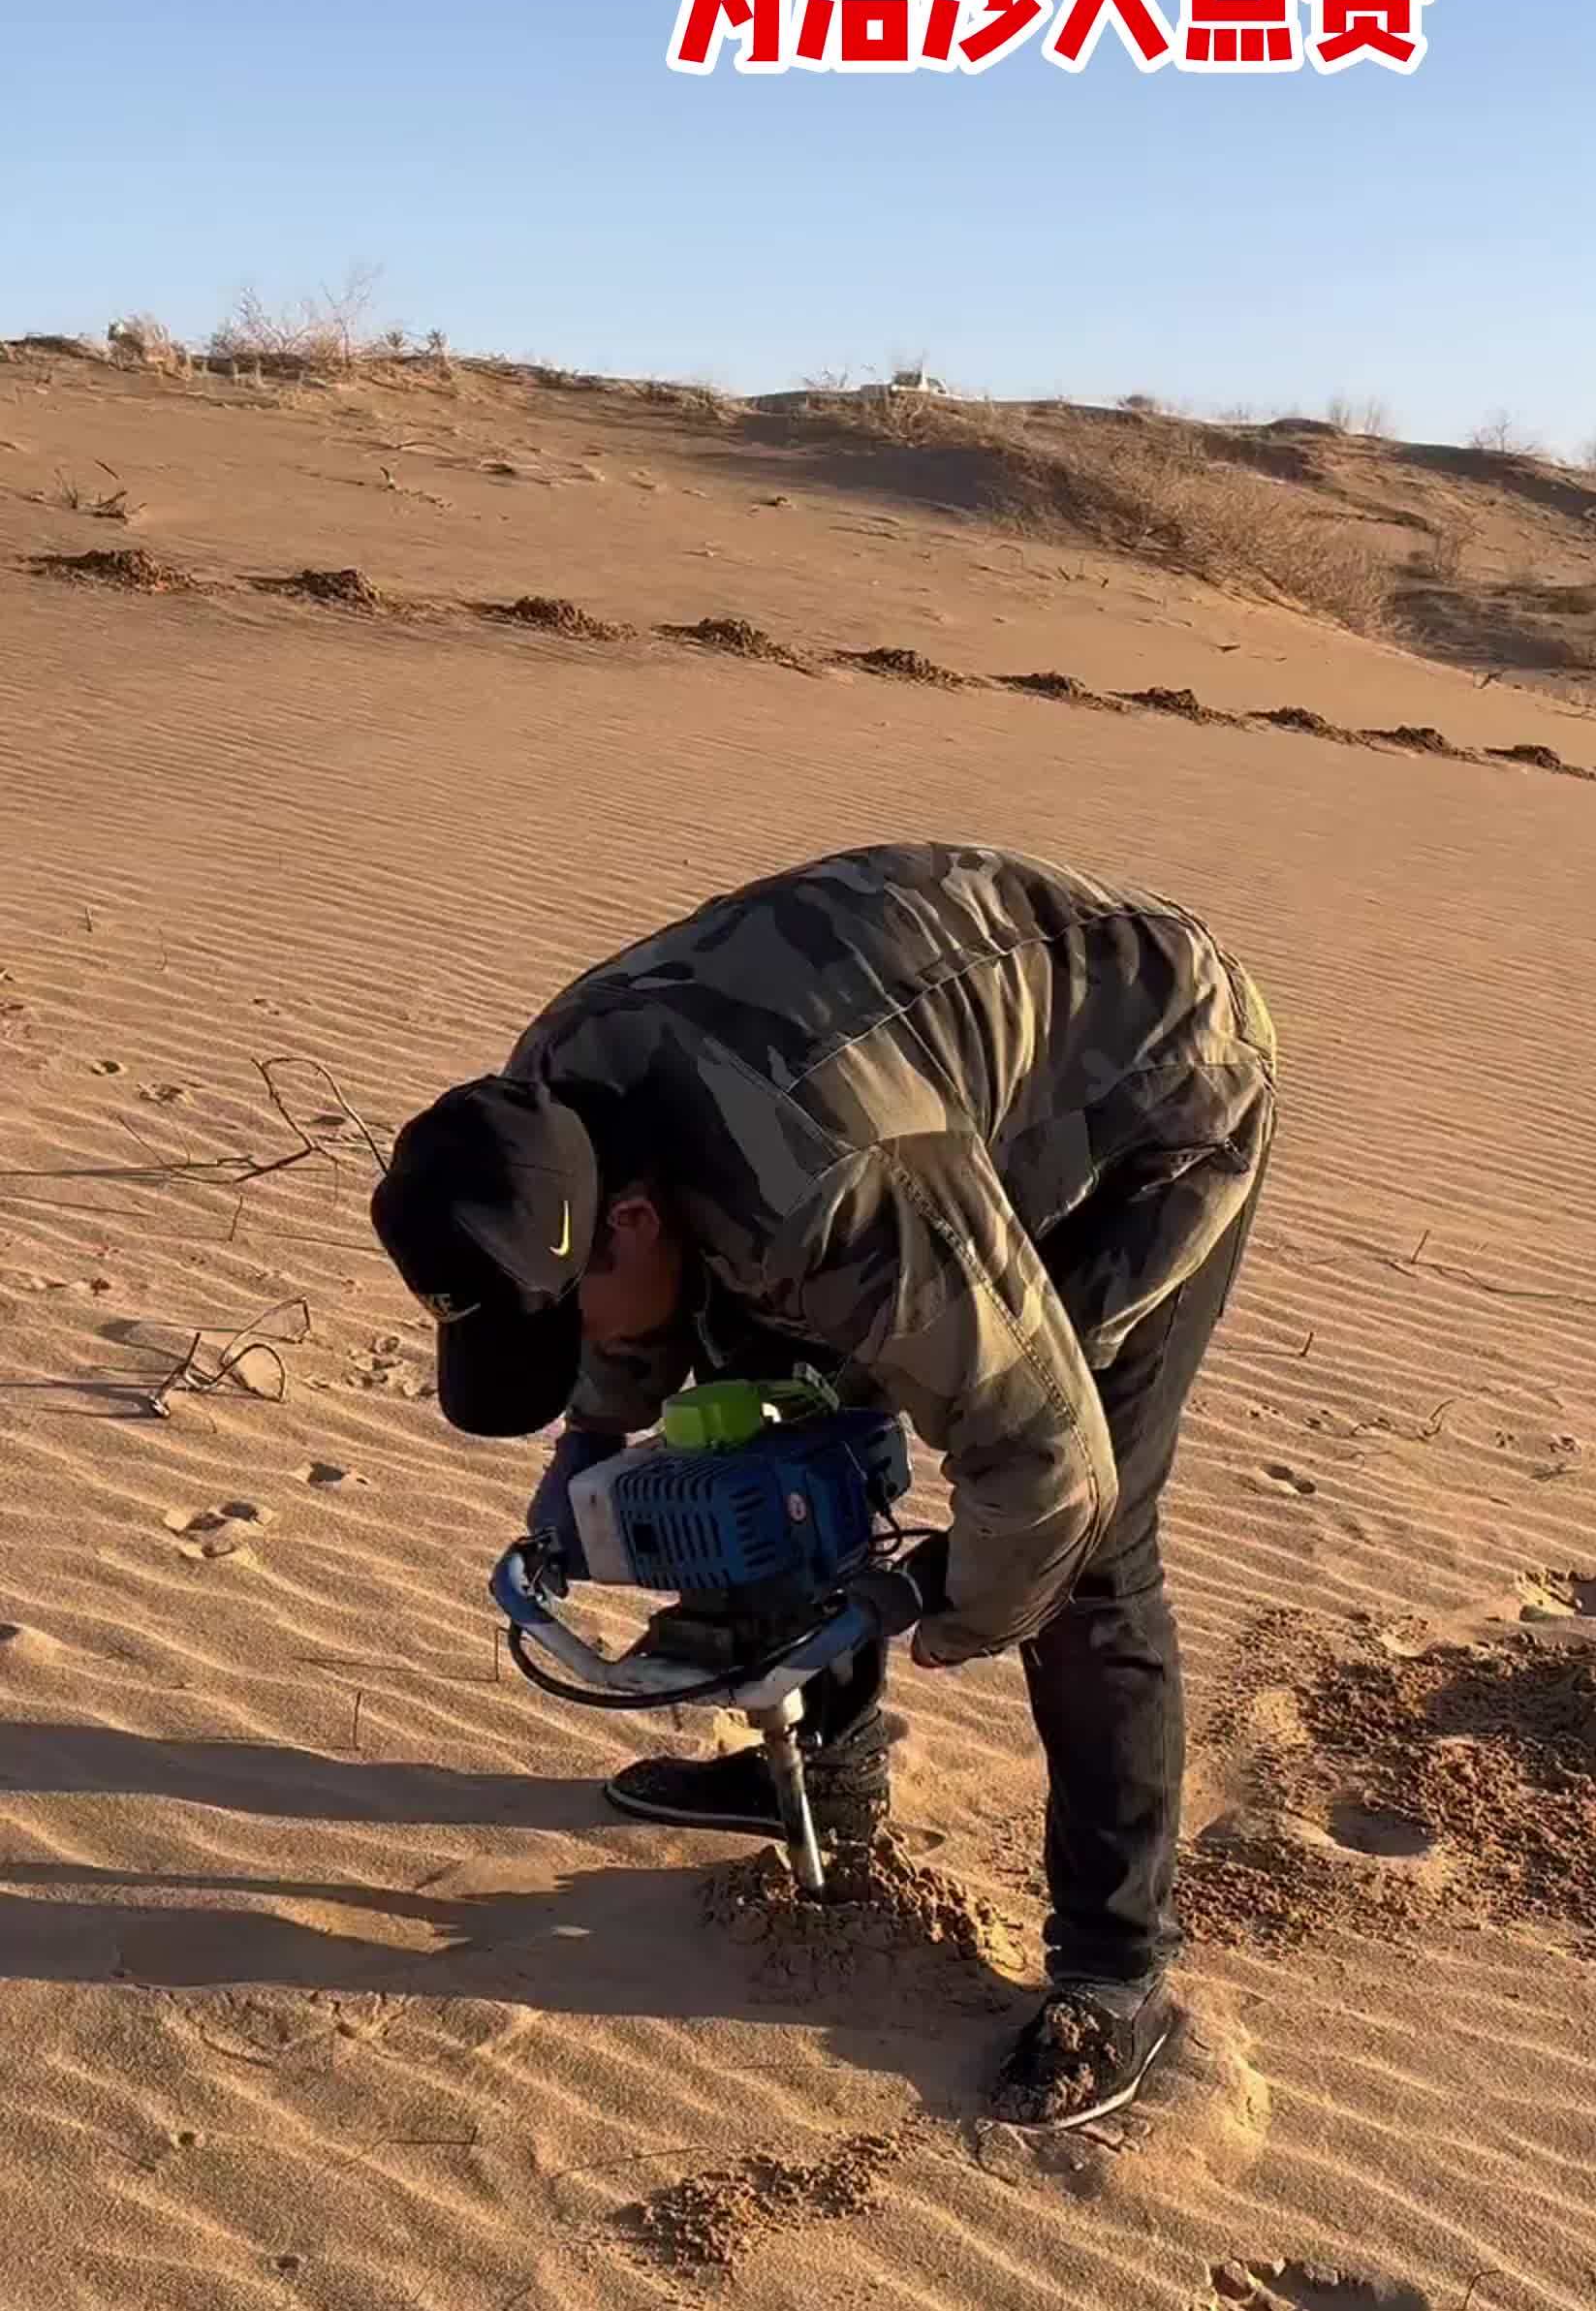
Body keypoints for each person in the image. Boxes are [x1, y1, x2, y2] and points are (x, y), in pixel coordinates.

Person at [368, 840, 1276, 2129]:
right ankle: (822, 1773)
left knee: (1092, 1546)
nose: (573, 1353)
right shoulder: (540, 1104)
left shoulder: (836, 1196)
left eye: (560, 1325)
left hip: (1153, 1091)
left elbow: (1043, 1464)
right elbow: (627, 1308)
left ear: (627, 1221)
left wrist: (943, 1604)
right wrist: (594, 1437)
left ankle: (1113, 1966)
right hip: (876, 1087)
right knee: (756, 1400)